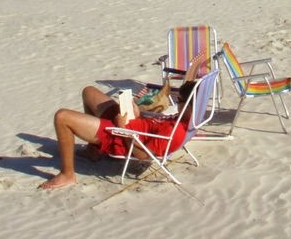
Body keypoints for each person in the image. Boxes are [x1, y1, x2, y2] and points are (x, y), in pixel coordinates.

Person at [38, 55, 208, 190]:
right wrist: (138, 114)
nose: (176, 101)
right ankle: (93, 150)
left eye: (179, 99)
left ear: (188, 105)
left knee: (62, 117)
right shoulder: (187, 119)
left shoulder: (176, 132)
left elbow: (142, 155)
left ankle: (68, 174)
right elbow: (153, 126)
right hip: (130, 124)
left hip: (119, 136)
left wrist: (123, 127)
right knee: (88, 92)